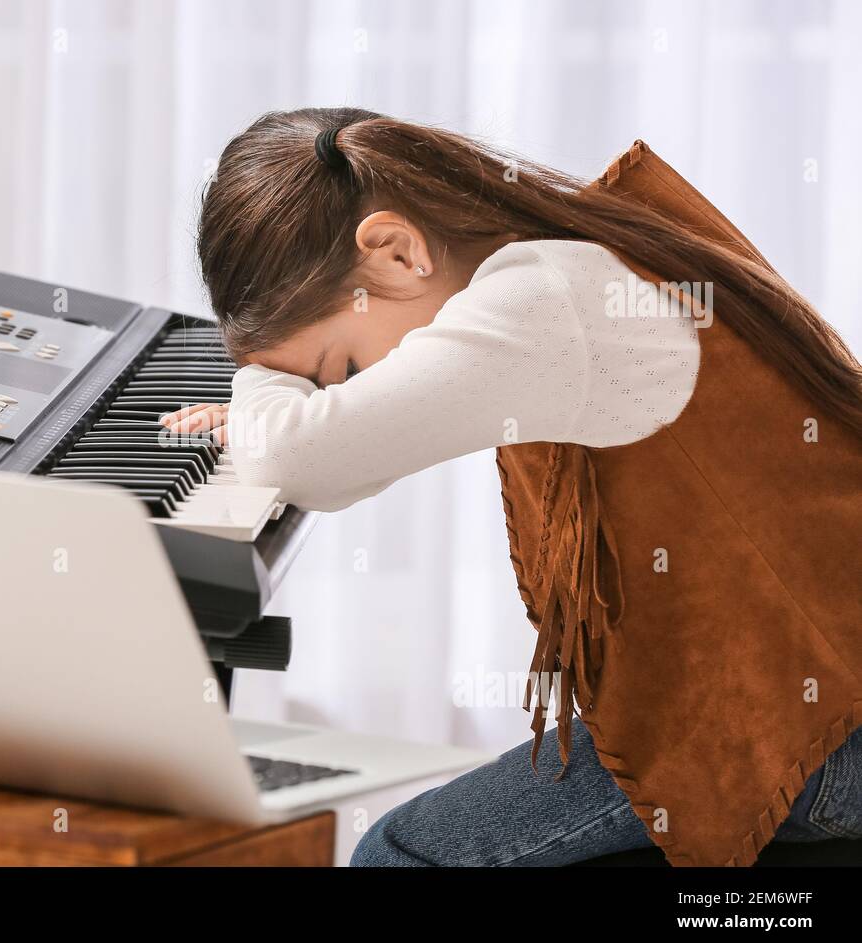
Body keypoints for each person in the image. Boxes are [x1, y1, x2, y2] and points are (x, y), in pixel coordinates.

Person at [163, 107, 862, 866]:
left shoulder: (541, 304)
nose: (352, 393)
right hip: (811, 696)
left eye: (343, 371)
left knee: (396, 854)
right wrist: (290, 394)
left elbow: (309, 462)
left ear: (396, 254)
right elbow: (330, 444)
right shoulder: (571, 254)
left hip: (818, 738)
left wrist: (261, 379)